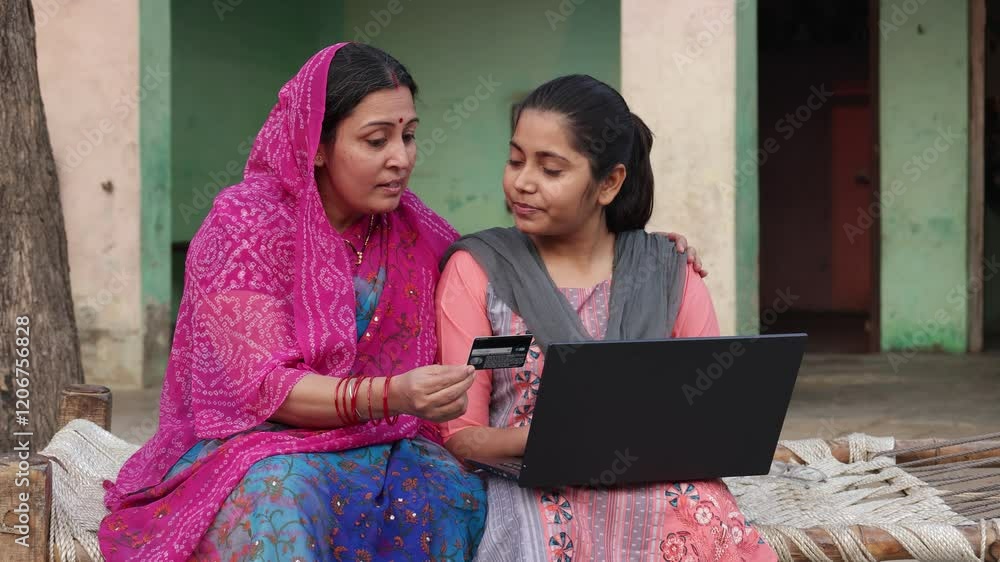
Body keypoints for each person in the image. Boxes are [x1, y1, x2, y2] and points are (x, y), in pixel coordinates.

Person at [99, 42, 488, 561]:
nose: (401, 158)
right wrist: (393, 394)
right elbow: (267, 388)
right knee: (282, 498)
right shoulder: (245, 225)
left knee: (451, 493)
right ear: (317, 145)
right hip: (260, 444)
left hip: (386, 440)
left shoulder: (415, 231)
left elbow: (483, 288)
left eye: (409, 135)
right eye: (376, 140)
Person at [436, 74, 778, 562]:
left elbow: (709, 421)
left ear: (610, 182)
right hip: (531, 482)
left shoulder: (667, 272)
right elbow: (461, 436)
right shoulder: (478, 270)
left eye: (550, 169)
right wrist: (559, 441)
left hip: (658, 480)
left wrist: (629, 445)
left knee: (700, 520)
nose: (522, 182)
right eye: (515, 160)